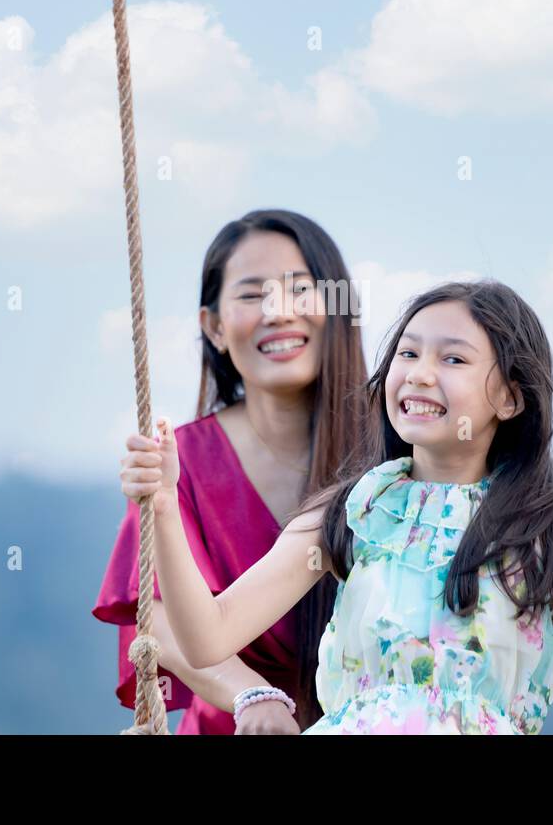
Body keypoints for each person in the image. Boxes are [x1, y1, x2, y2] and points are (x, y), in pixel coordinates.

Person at [120, 279, 553, 733]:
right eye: (408, 353)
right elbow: (207, 638)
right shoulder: (352, 512)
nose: (418, 373)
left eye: (454, 360)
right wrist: (164, 508)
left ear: (512, 396)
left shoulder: (548, 519)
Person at [92, 209, 367, 733]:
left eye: (299, 289)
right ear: (214, 328)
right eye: (250, 294)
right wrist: (254, 696)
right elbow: (162, 622)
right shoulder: (178, 462)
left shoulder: (395, 451)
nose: (278, 312)